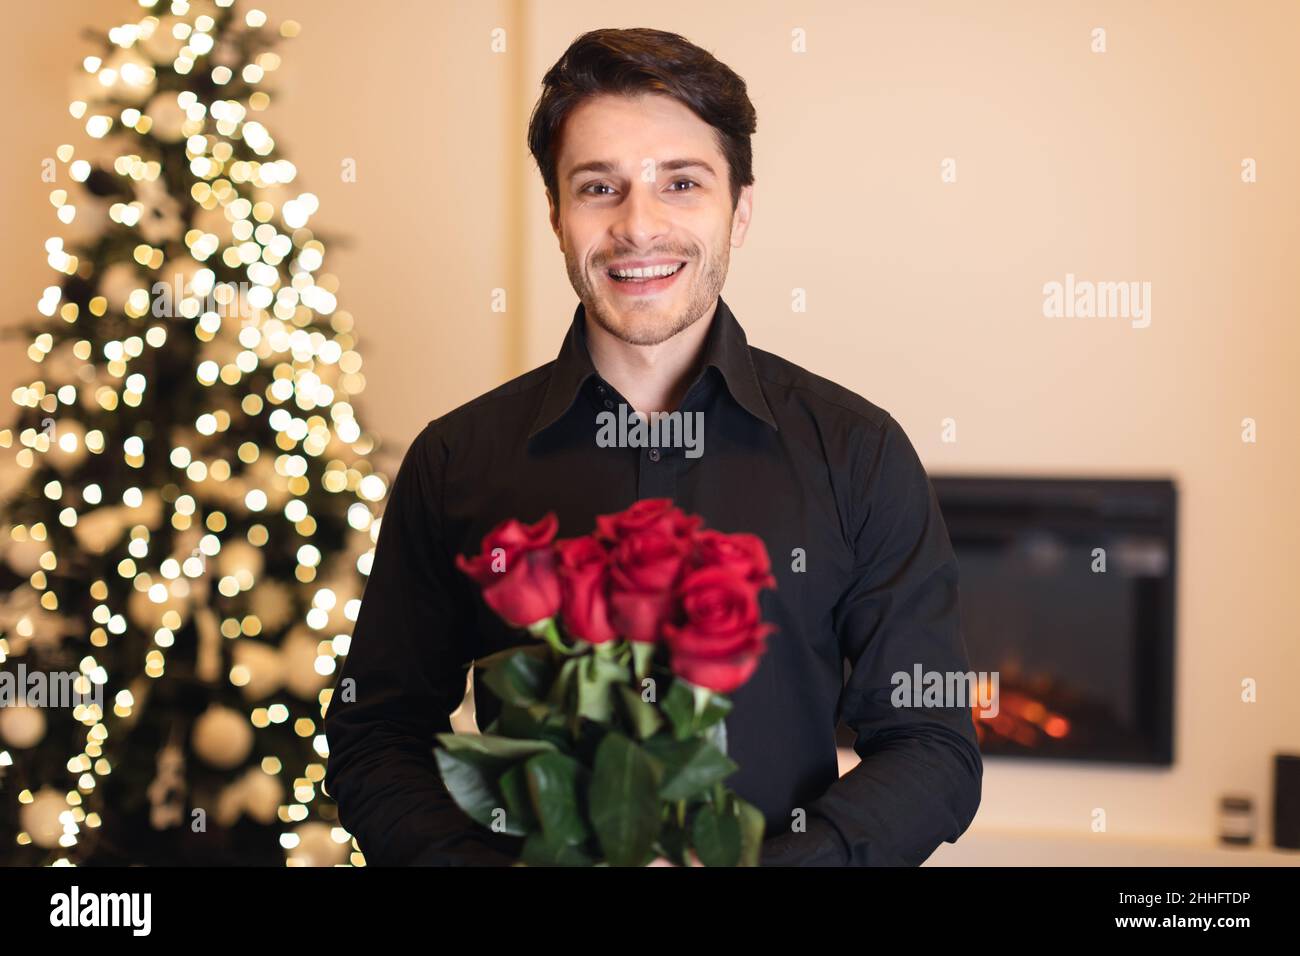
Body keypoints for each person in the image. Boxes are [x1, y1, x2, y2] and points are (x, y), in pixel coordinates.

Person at [323, 27, 982, 866]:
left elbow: (934, 749)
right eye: (599, 187)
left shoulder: (858, 451)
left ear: (739, 211)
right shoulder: (456, 460)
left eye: (682, 183)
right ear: (558, 217)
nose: (639, 227)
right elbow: (376, 735)